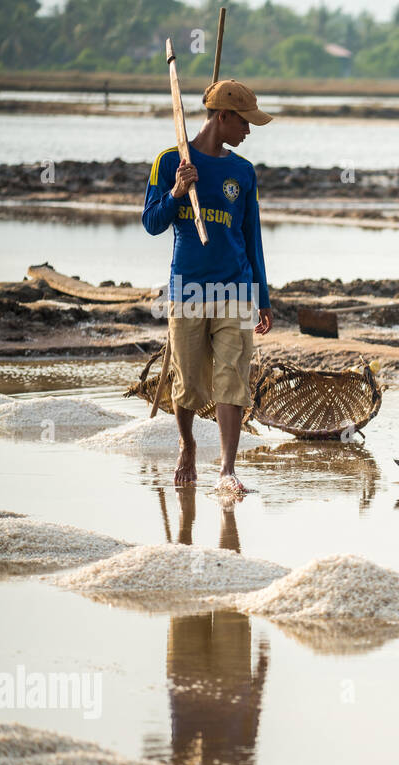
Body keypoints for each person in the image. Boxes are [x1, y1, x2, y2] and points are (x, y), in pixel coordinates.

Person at [143, 78, 274, 491]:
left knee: (232, 379)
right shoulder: (170, 162)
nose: (248, 132)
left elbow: (252, 236)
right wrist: (179, 191)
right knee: (189, 385)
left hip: (236, 290)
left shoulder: (242, 172)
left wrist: (263, 297)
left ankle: (228, 469)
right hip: (189, 291)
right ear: (223, 117)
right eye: (244, 123)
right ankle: (187, 446)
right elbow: (151, 222)